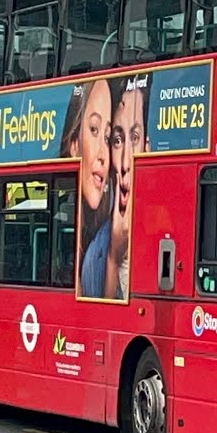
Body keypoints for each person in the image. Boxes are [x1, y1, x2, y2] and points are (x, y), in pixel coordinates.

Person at [61, 79, 113, 298]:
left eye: (109, 138)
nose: (103, 154)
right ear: (75, 145)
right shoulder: (60, 222)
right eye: (94, 129)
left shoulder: (104, 241)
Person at [103, 74, 149, 300]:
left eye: (135, 137)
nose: (124, 163)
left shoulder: (159, 227)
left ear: (147, 147)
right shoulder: (96, 253)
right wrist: (114, 254)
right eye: (117, 141)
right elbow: (98, 319)